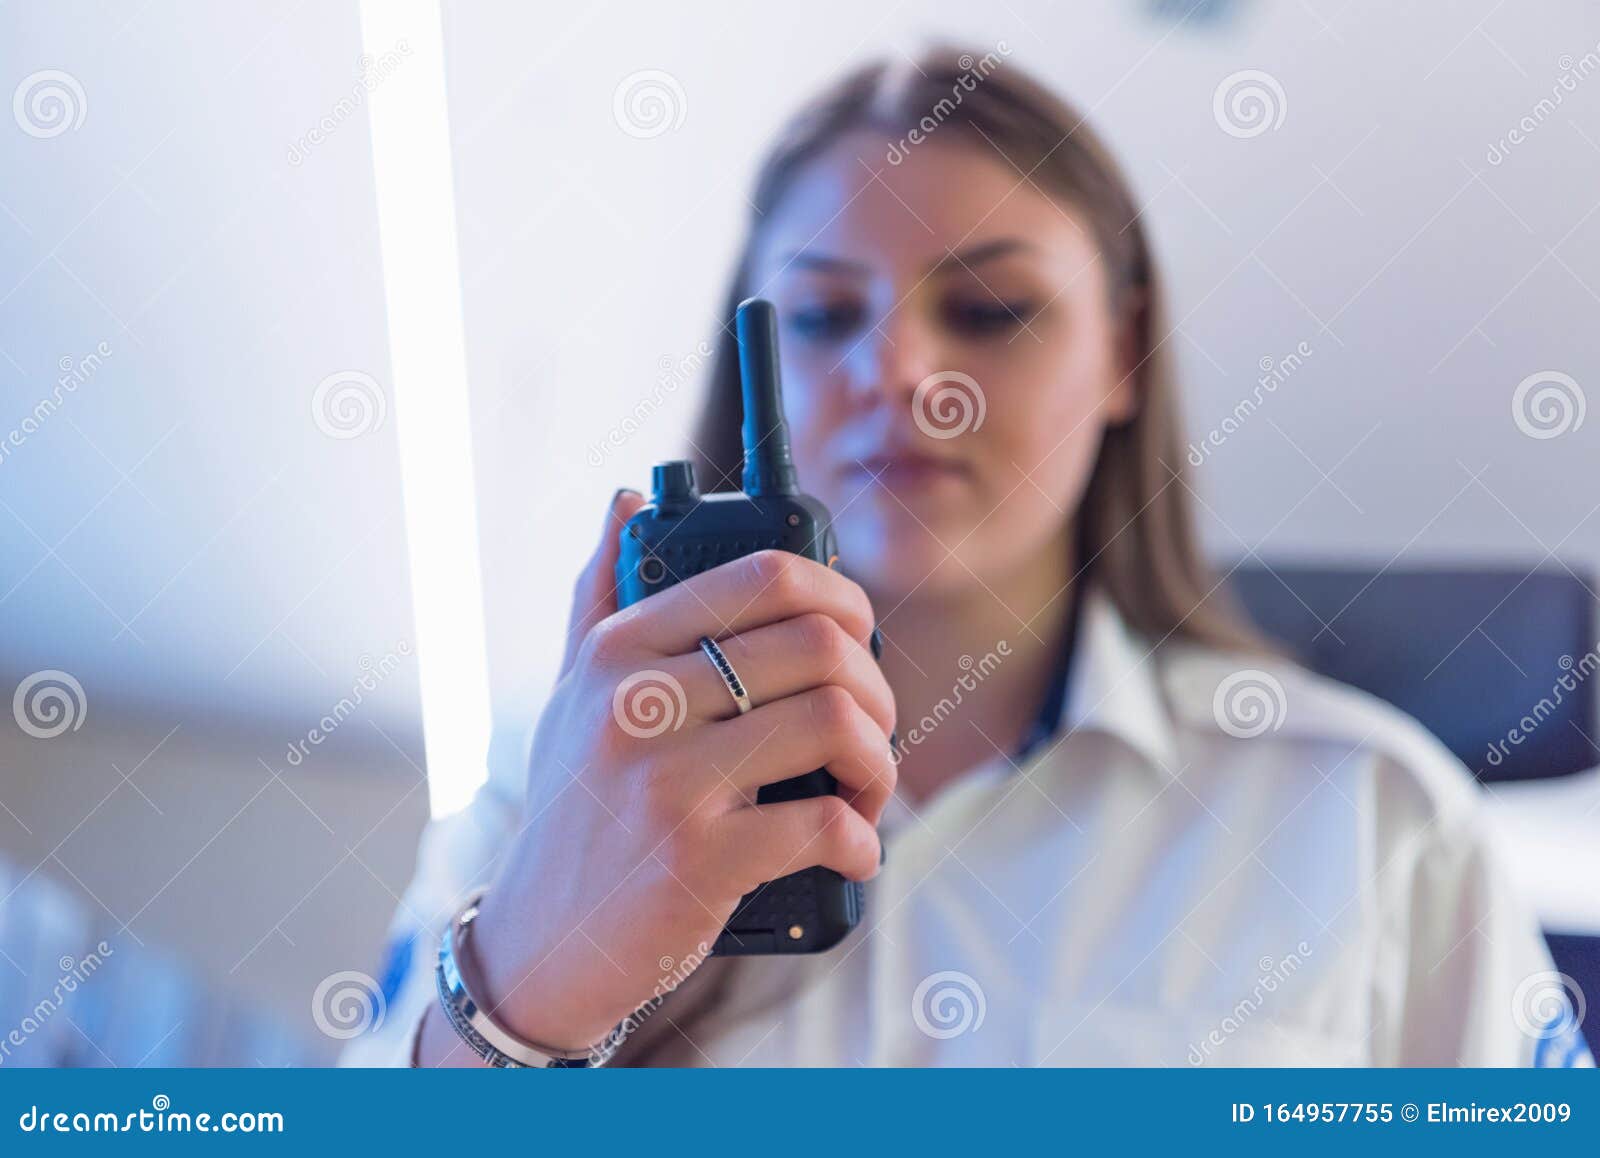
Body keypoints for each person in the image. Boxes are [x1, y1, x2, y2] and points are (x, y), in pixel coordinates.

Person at [348, 47, 1591, 1068]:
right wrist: (522, 997)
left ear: (1120, 354)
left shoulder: (1374, 823)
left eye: (991, 310)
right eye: (826, 317)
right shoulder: (552, 785)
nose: (896, 373)